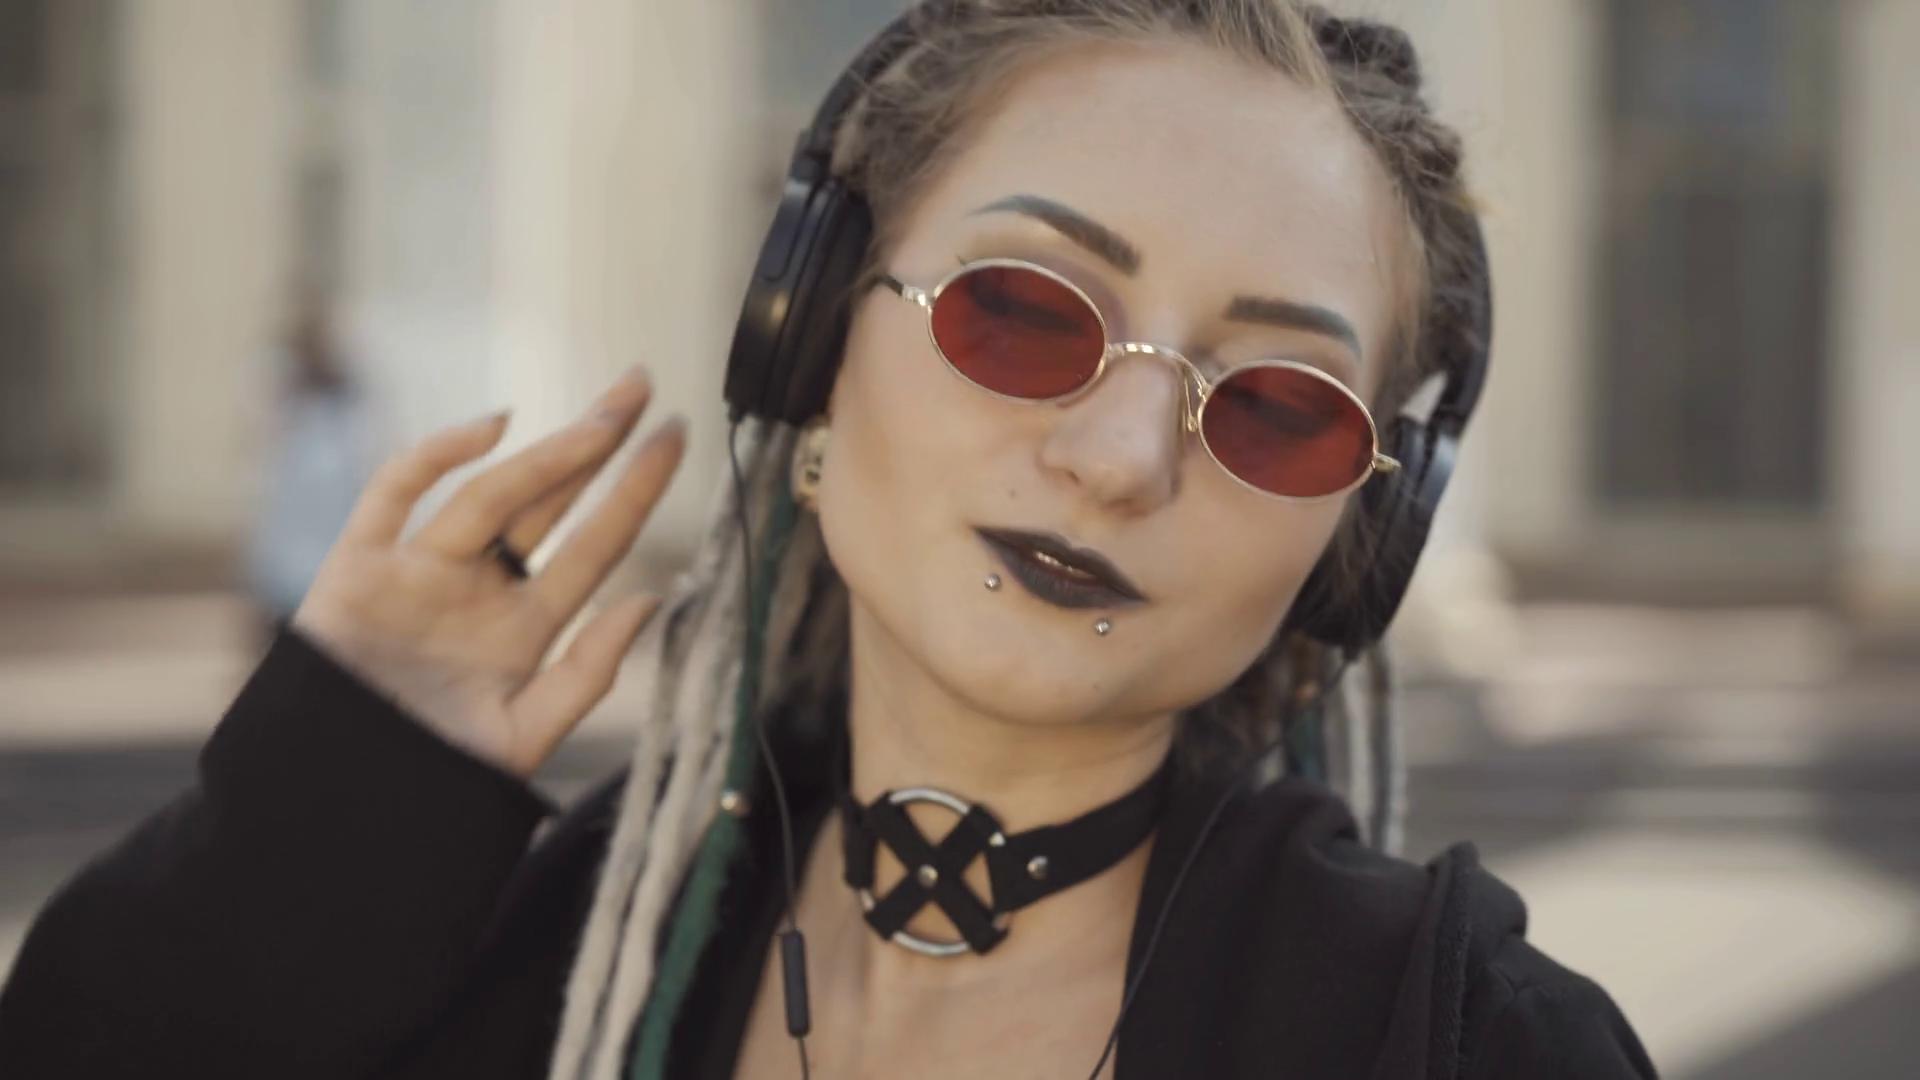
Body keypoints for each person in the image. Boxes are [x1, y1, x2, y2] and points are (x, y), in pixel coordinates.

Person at [0, 3, 1657, 1079]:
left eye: (1277, 406)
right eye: (1025, 313)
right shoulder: (531, 960)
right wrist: (323, 814)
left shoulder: (1475, 1046)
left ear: (1356, 546)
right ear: (809, 347)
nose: (1121, 457)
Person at [241, 287, 382, 648]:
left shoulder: (347, 381)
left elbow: (366, 434)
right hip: (292, 506)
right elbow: (261, 425)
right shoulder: (281, 371)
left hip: (330, 502)